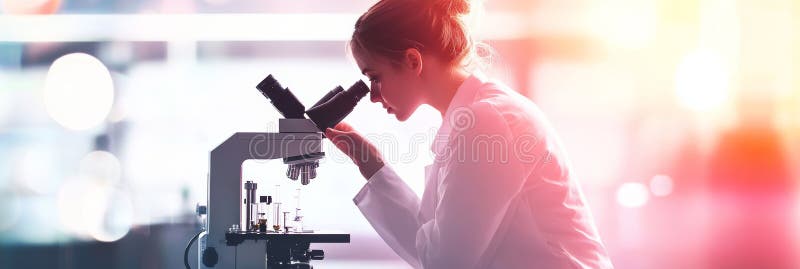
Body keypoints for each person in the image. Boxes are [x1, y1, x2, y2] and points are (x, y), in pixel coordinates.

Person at [324, 0, 613, 268]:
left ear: (413, 60)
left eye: (375, 77)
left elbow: (446, 262)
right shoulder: (470, 117)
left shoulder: (488, 121)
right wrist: (369, 162)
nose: (373, 96)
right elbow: (432, 243)